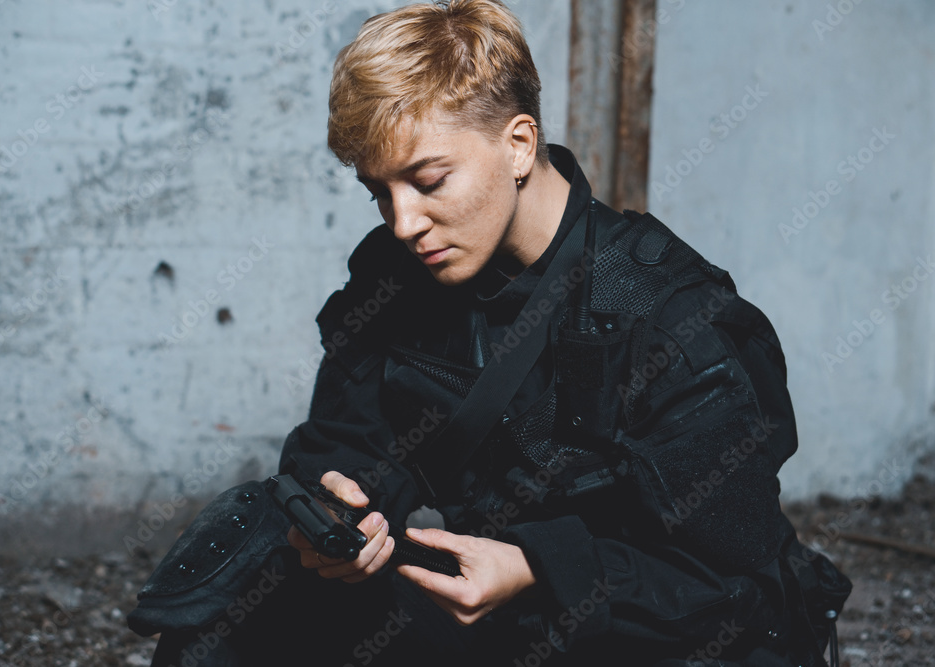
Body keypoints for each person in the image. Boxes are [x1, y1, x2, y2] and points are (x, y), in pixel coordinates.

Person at [129, 1, 851, 665]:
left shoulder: (670, 317)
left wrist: (539, 568)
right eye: (381, 191)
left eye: (429, 180)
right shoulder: (395, 273)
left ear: (517, 144)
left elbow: (732, 584)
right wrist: (346, 509)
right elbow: (348, 439)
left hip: (645, 628)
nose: (403, 221)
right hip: (496, 612)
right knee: (226, 602)